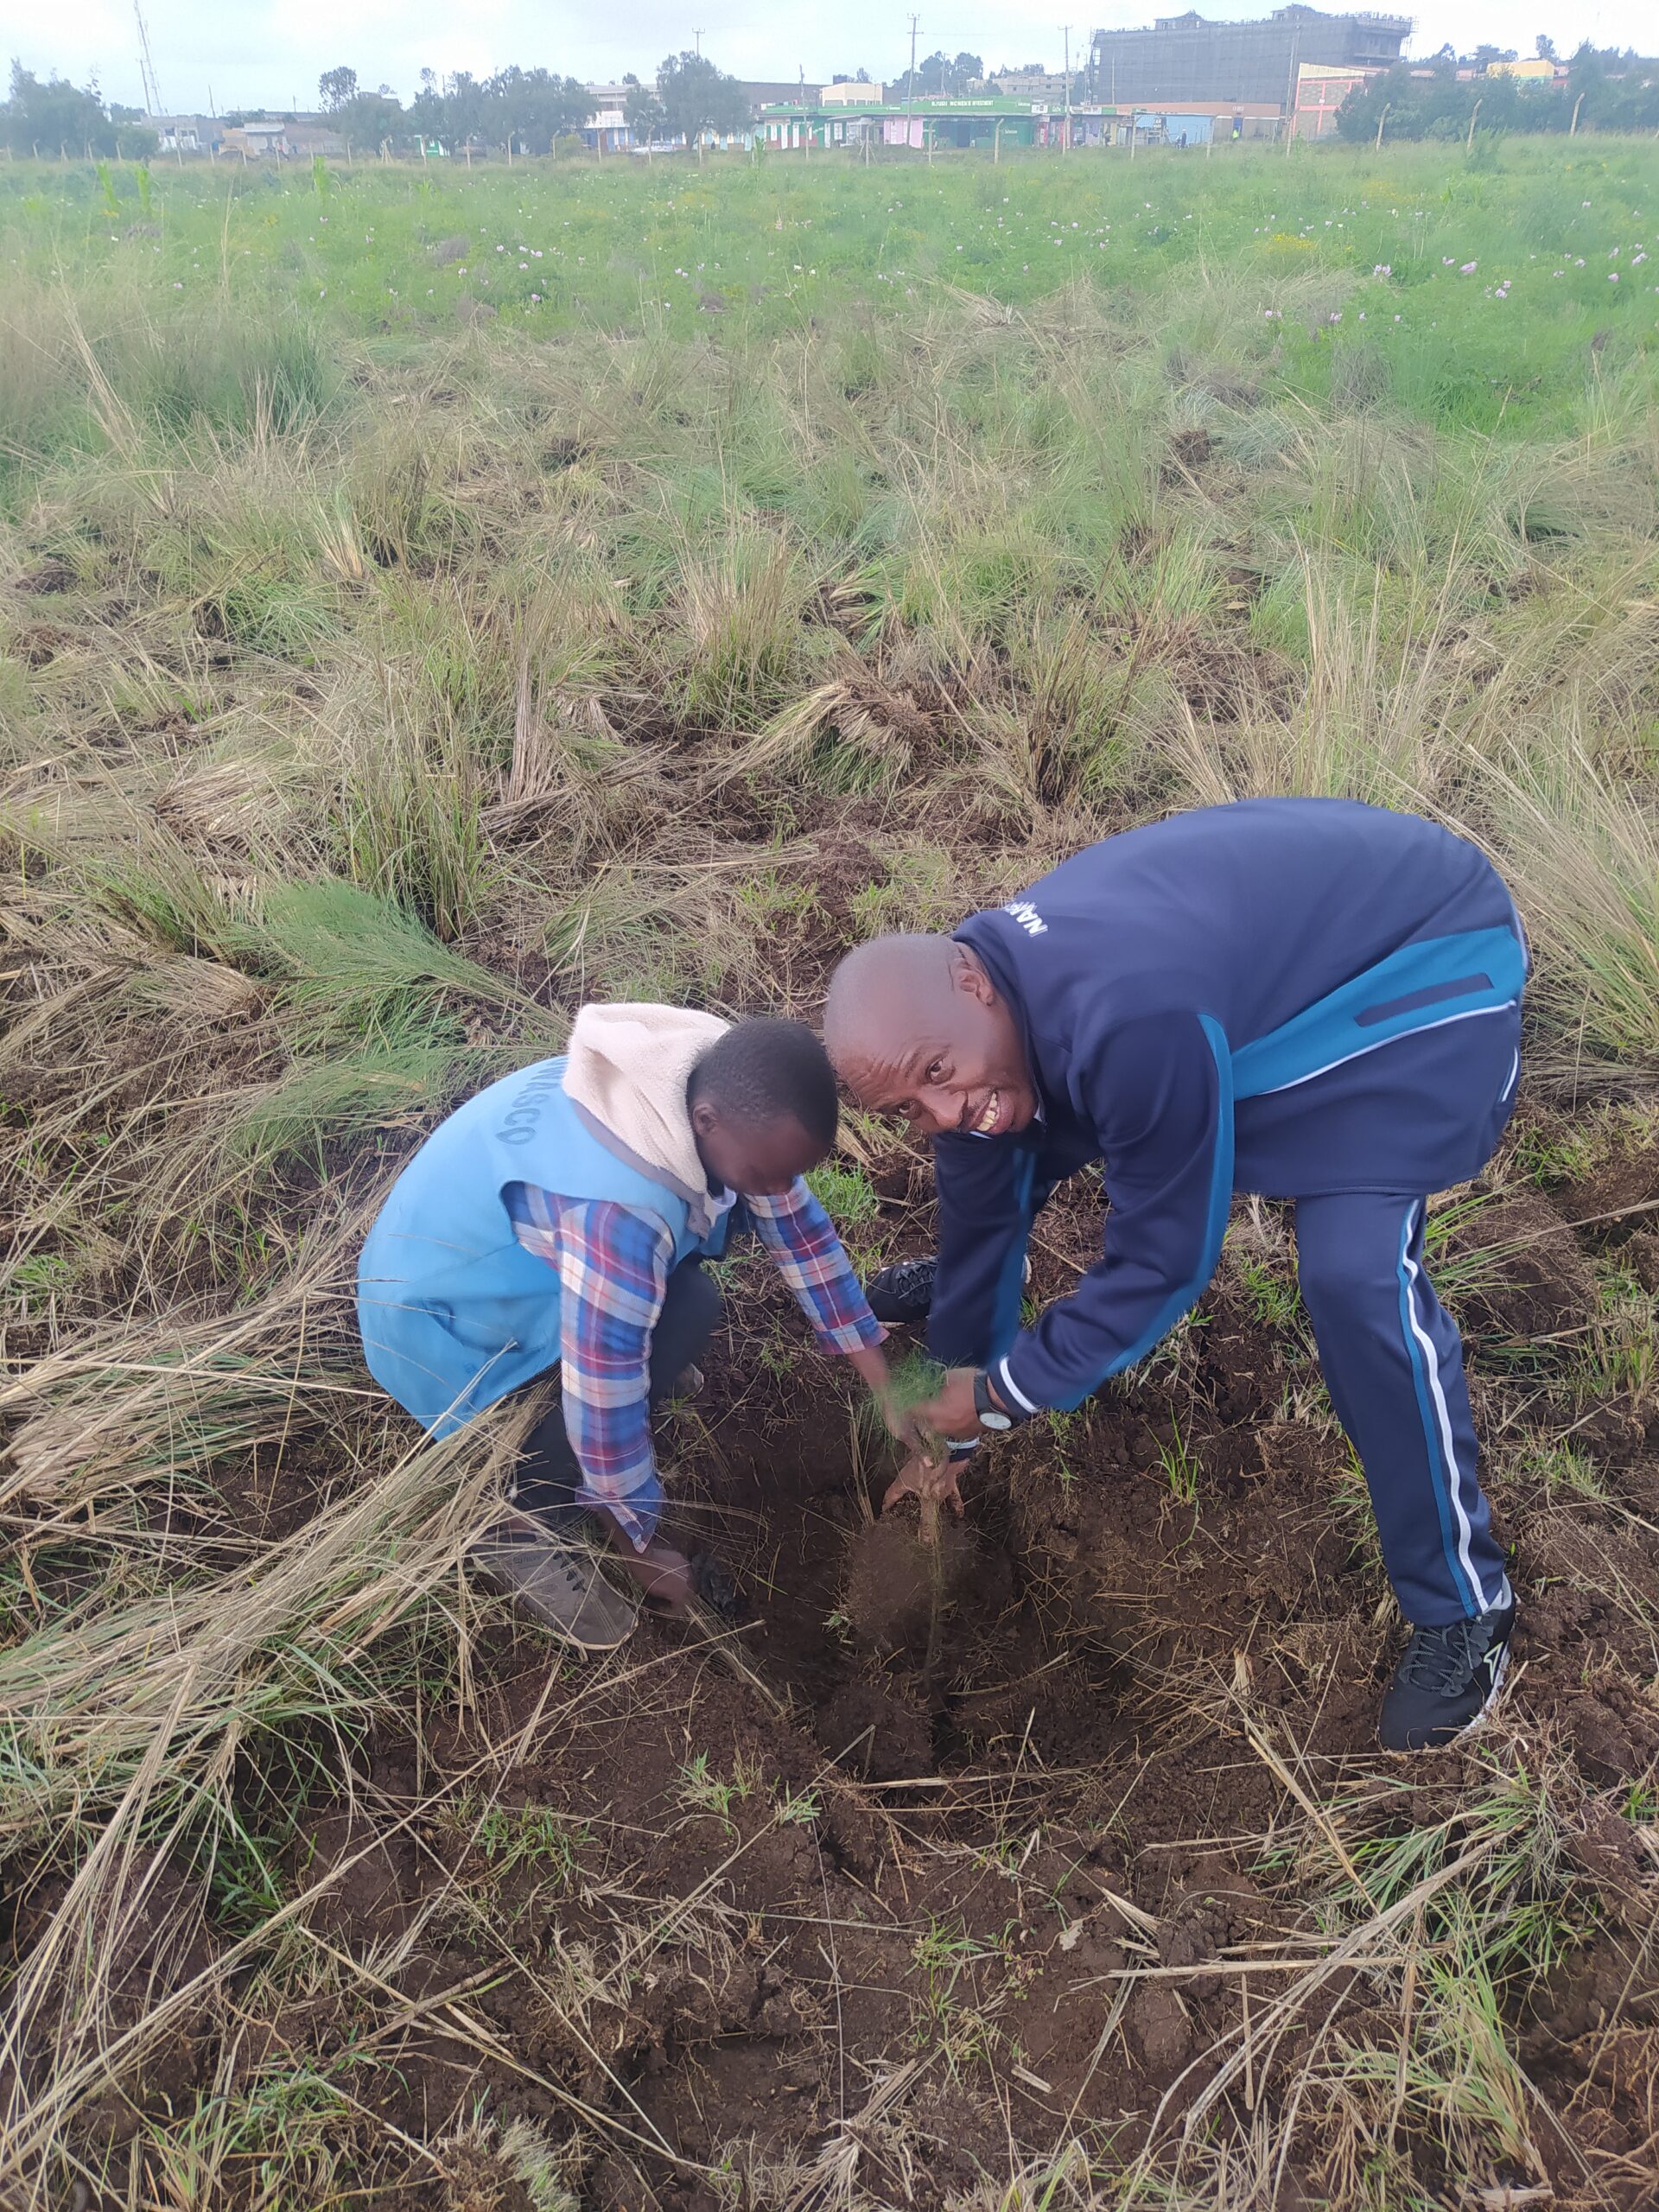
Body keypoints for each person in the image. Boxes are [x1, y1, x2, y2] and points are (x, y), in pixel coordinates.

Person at [823, 798, 1529, 1752]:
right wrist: (958, 1419)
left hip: (1426, 963)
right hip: (1271, 977)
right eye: (910, 1106)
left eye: (939, 1073)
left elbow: (1164, 1261)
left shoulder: (1129, 1013)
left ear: (969, 978)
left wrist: (1002, 1396)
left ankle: (1464, 1607)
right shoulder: (973, 1036)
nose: (944, 1111)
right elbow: (986, 1212)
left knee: (1352, 1270)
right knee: (1009, 1140)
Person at [358, 1005, 918, 1651]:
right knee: (681, 1315)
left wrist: (885, 1387)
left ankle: (627, 1348)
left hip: (494, 1253)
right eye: (768, 1173)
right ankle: (518, 1522)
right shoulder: (621, 1218)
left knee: (685, 1290)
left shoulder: (706, 1074)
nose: (778, 1187)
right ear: (706, 1122)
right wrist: (640, 1543)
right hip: (438, 1322)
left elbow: (798, 1231)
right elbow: (602, 1394)